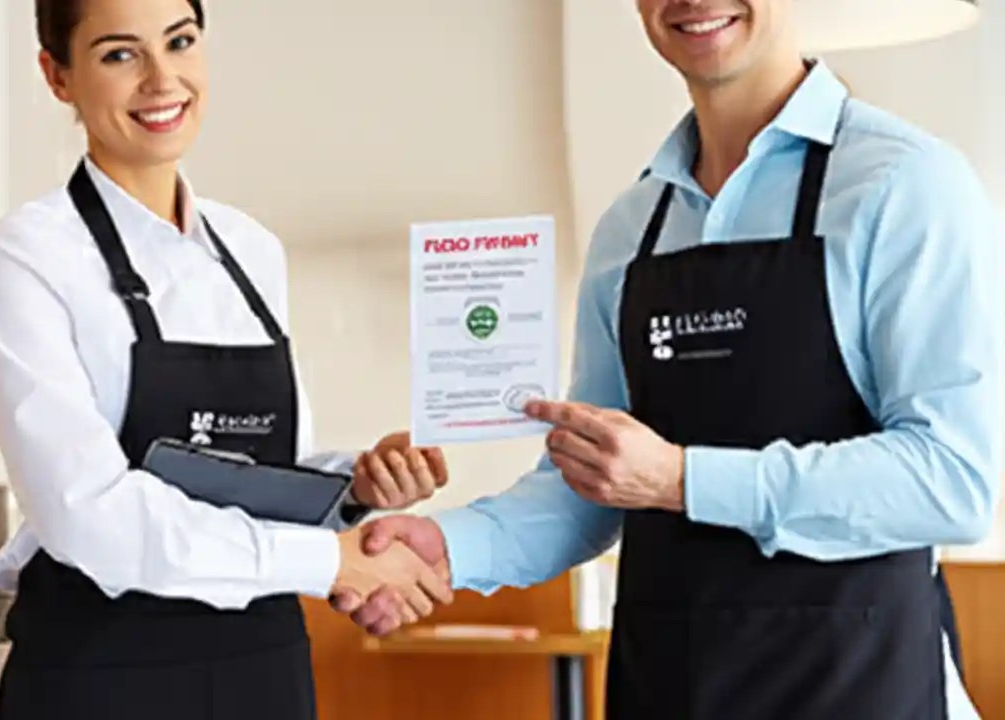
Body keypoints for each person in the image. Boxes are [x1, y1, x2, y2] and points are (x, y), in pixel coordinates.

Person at [335, 1, 1003, 718]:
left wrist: (683, 479)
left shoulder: (903, 185)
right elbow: (583, 492)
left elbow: (952, 479)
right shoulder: (632, 229)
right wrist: (445, 545)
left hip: (858, 687)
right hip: (668, 685)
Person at [0, 1, 453, 717]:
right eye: (119, 55)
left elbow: (260, 472)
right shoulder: (24, 257)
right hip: (104, 669)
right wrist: (330, 564)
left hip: (262, 664)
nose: (163, 79)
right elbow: (88, 514)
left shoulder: (251, 250)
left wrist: (354, 486)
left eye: (181, 43)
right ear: (57, 76)